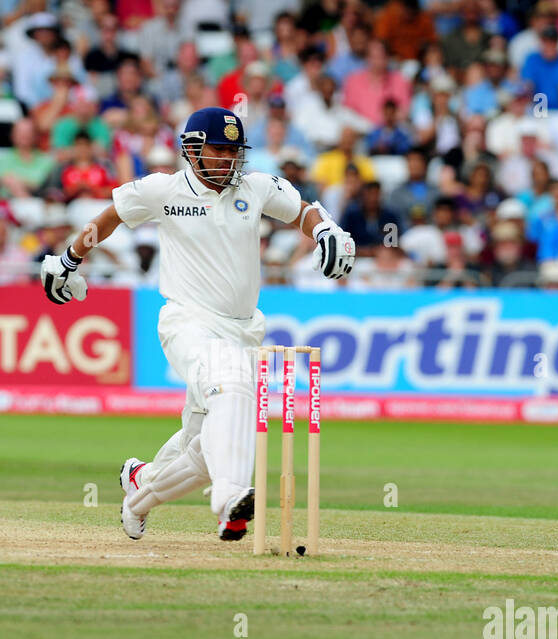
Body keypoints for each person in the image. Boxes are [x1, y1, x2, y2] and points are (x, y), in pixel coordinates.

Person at [39, 107, 356, 542]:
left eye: (233, 151)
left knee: (207, 446)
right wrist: (69, 259)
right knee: (231, 386)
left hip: (243, 329)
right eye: (218, 149)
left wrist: (326, 231)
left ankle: (138, 493)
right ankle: (229, 500)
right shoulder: (163, 189)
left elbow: (301, 211)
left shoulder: (255, 186)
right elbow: (110, 217)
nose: (227, 159)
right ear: (193, 149)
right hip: (187, 320)